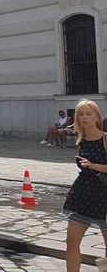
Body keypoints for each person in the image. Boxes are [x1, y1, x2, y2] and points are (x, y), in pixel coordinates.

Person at [63, 100, 107, 272]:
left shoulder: (105, 139)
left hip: (104, 195)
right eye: (81, 114)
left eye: (89, 114)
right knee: (71, 241)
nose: (84, 117)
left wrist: (94, 165)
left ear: (97, 117)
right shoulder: (81, 140)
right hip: (83, 193)